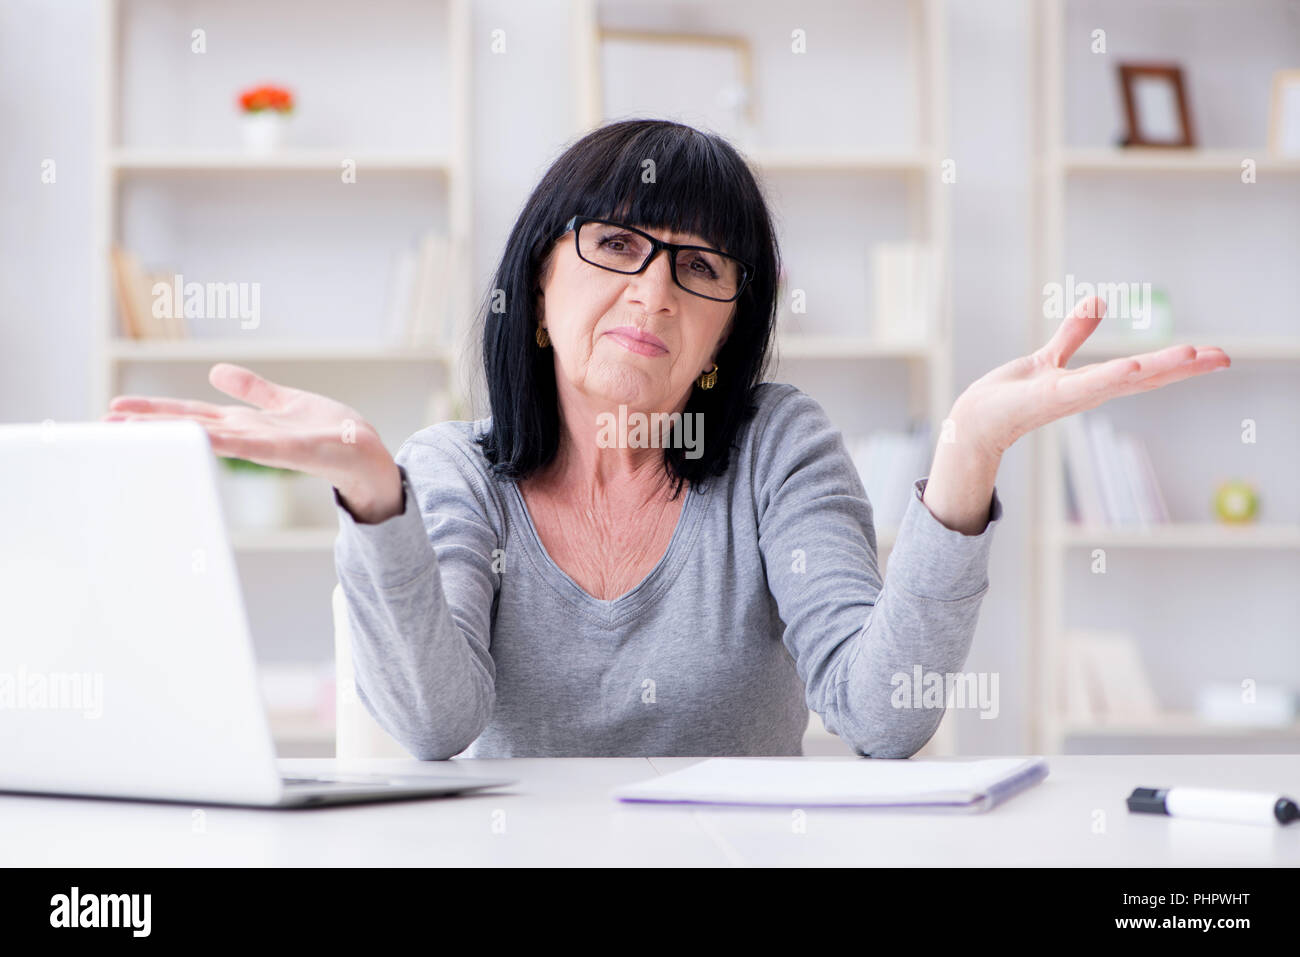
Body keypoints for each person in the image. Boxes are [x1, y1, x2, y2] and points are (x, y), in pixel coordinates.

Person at [104, 118, 1230, 759]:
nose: (653, 290)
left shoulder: (778, 448)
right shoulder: (456, 470)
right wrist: (374, 501)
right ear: (537, 284)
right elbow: (437, 724)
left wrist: (967, 460)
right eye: (616, 245)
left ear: (723, 333)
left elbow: (883, 719)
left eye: (698, 267)